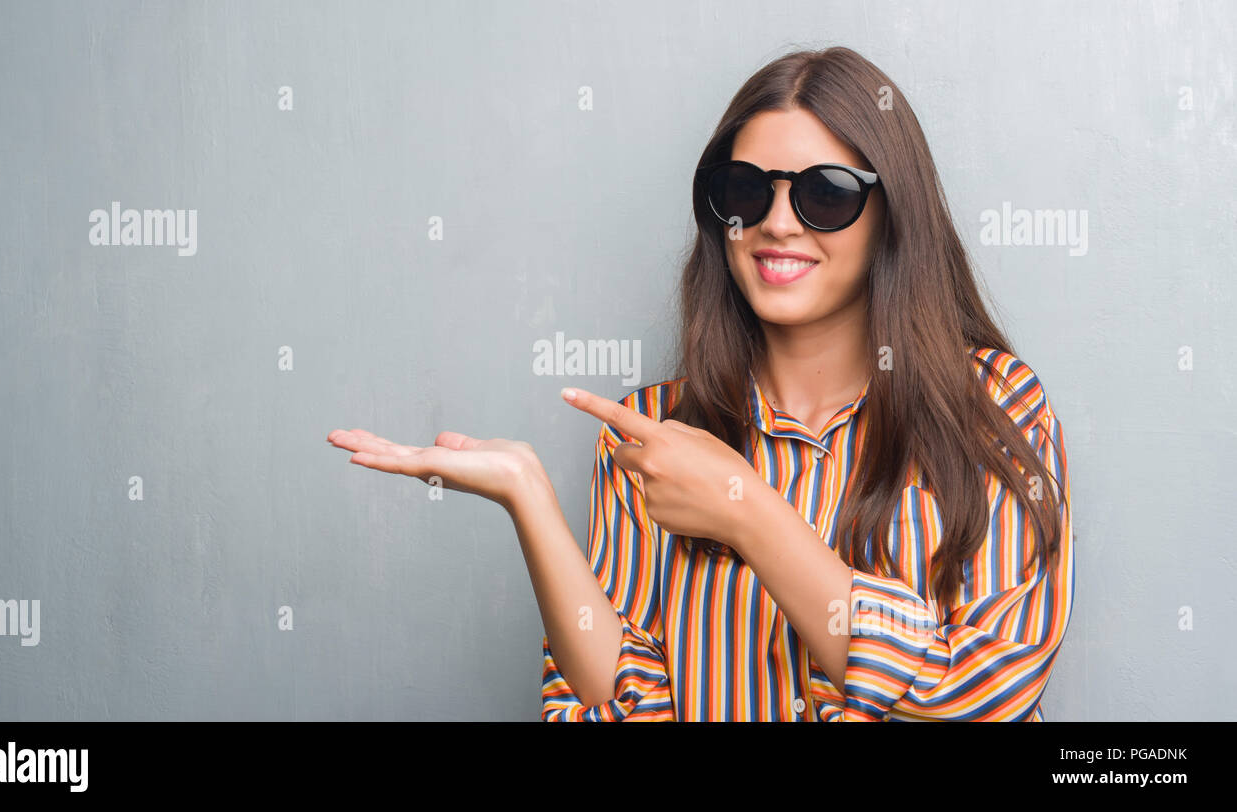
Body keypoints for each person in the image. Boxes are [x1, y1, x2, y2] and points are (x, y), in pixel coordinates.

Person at [327, 46, 1074, 721]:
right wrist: (529, 498)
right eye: (746, 191)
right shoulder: (652, 432)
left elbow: (990, 688)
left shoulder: (988, 405)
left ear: (891, 214)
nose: (777, 223)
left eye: (826, 194)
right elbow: (622, 705)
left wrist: (743, 509)